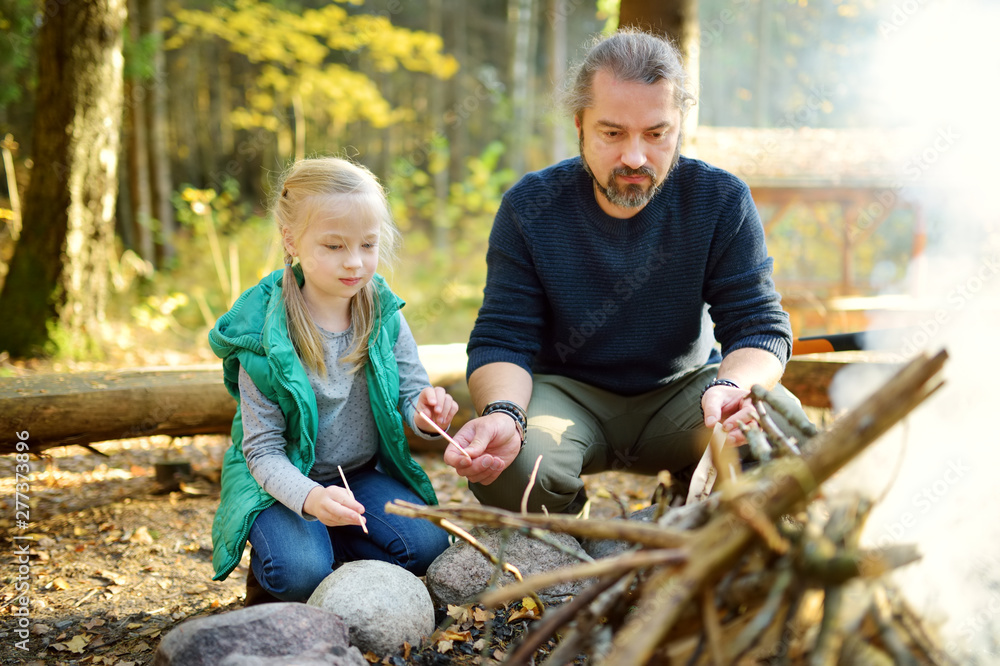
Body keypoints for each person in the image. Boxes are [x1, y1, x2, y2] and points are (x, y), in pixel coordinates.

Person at [444, 29, 806, 513]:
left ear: (679, 124)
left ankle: (693, 504)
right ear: (580, 124)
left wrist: (733, 388)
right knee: (511, 466)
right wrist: (504, 412)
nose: (635, 158)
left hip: (688, 395)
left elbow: (758, 328)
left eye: (657, 134)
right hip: (564, 399)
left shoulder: (720, 200)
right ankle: (580, 546)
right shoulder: (529, 206)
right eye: (612, 133)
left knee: (776, 426)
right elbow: (503, 338)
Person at [209, 157, 455, 604]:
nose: (355, 263)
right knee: (298, 574)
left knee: (430, 547)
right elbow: (262, 451)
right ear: (291, 240)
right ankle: (294, 550)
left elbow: (410, 391)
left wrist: (425, 409)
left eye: (367, 244)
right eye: (334, 246)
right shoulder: (263, 334)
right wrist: (310, 499)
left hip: (357, 474)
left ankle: (333, 547)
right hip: (284, 484)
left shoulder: (382, 313)